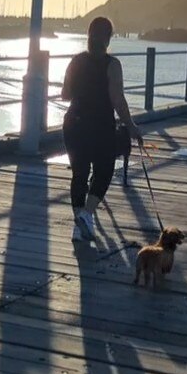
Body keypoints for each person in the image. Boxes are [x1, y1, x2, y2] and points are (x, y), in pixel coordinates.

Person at [60, 17, 142, 241]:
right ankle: (86, 214)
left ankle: (79, 225)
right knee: (104, 170)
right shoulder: (112, 64)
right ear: (108, 38)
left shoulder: (76, 61)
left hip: (74, 123)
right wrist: (130, 124)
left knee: (79, 173)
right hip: (101, 124)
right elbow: (117, 98)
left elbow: (65, 94)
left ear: (88, 35)